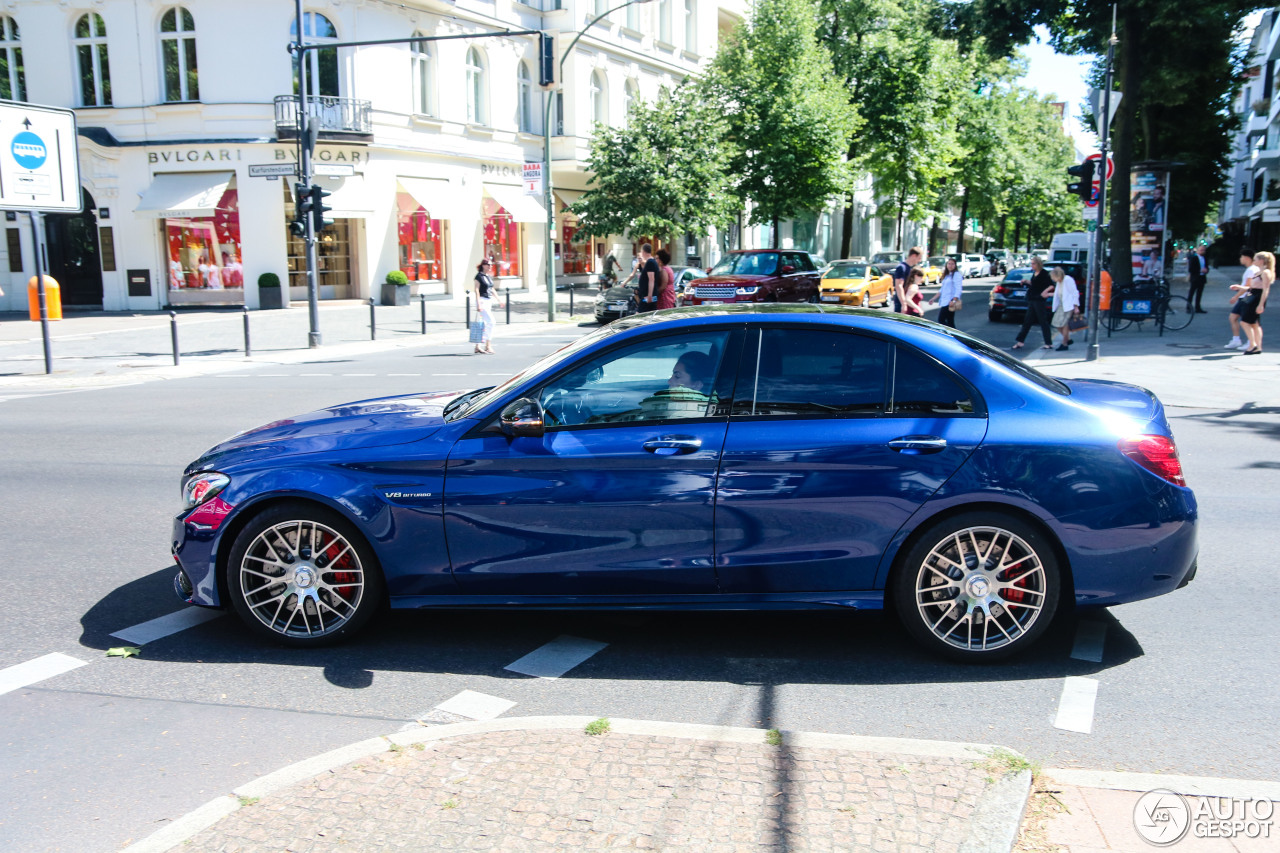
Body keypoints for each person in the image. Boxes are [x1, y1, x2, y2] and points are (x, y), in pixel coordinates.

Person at [1232, 250, 1272, 355]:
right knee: (1254, 324)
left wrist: (1261, 304)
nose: (1253, 261)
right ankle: (1257, 346)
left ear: (1262, 260)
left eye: (1255, 259)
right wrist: (1239, 287)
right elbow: (1252, 286)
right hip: (1251, 295)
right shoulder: (1258, 271)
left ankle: (1252, 344)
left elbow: (1265, 289)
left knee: (1245, 322)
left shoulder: (1265, 272)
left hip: (1256, 298)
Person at [1012, 256, 1055, 350]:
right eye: (1031, 263)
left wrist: (1045, 293)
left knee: (1043, 321)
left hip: (1039, 300)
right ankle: (1020, 341)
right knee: (1027, 321)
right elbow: (1035, 284)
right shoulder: (1035, 273)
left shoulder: (1044, 273)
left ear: (1038, 264)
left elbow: (1051, 285)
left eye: (1033, 263)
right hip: (1032, 299)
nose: (1032, 265)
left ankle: (1048, 343)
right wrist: (1027, 281)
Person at [1226, 248, 1258, 350]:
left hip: (1246, 298)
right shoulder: (1252, 269)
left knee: (1247, 321)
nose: (1240, 259)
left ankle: (1250, 342)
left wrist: (1236, 296)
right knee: (1233, 318)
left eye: (1241, 257)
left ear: (1247, 258)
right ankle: (1237, 340)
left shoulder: (1251, 270)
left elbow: (1248, 285)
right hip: (1245, 297)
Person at [473, 259, 501, 355]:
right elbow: (476, 290)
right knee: (491, 322)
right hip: (482, 300)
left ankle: (478, 346)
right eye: (488, 265)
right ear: (483, 265)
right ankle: (487, 345)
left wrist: (498, 300)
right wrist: (478, 303)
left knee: (484, 324)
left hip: (488, 301)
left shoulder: (488, 276)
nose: (490, 266)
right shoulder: (479, 276)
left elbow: (491, 289)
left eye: (491, 265)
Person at [1049, 266, 1080, 351]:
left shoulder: (1068, 280)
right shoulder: (1060, 282)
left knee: (1064, 324)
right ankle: (1068, 339)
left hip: (1069, 305)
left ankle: (1064, 343)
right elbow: (1058, 293)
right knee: (1056, 323)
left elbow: (1074, 292)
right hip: (1062, 305)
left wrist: (1076, 306)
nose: (1053, 279)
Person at [929, 256, 964, 327]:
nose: (950, 265)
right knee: (950, 321)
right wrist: (933, 298)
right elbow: (942, 289)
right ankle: (953, 336)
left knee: (941, 320)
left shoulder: (956, 274)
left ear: (955, 265)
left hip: (950, 301)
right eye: (949, 264)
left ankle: (950, 335)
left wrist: (953, 300)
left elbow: (958, 289)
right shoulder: (947, 275)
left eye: (952, 264)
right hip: (945, 300)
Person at [891, 247, 924, 313]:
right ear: (914, 256)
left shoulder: (911, 268)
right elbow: (899, 286)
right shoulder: (902, 267)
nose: (919, 260)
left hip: (909, 305)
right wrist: (903, 304)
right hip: (901, 303)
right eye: (919, 258)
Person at [635, 243, 661, 312]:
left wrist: (649, 295)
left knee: (640, 314)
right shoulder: (651, 262)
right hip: (648, 295)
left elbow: (651, 279)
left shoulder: (650, 263)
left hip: (648, 296)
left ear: (643, 251)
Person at [1187, 245, 1208, 313]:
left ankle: (1198, 307)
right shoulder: (1194, 258)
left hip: (1202, 278)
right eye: (1201, 250)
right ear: (1198, 250)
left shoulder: (1205, 258)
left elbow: (1206, 267)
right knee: (1191, 293)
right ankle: (1188, 307)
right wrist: (1200, 270)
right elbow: (1191, 269)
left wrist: (1206, 270)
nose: (1203, 251)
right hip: (1195, 278)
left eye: (1204, 250)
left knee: (1199, 294)